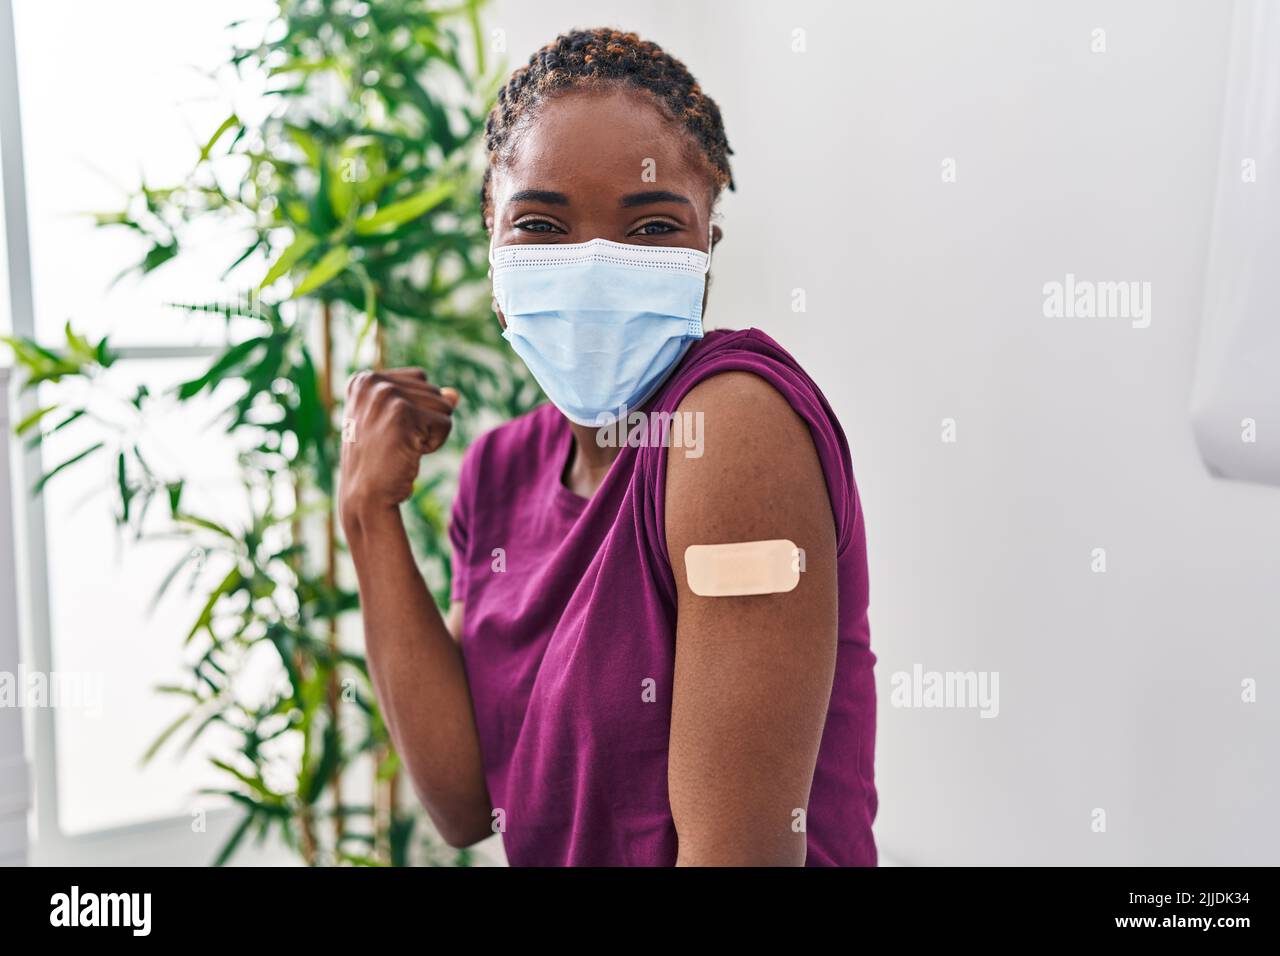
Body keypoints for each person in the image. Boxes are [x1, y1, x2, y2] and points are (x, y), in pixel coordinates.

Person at [339, 28, 877, 866]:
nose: (592, 267)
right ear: (491, 233)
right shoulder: (500, 469)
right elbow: (464, 802)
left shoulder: (731, 428)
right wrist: (369, 513)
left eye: (652, 225)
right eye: (542, 224)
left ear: (708, 249)